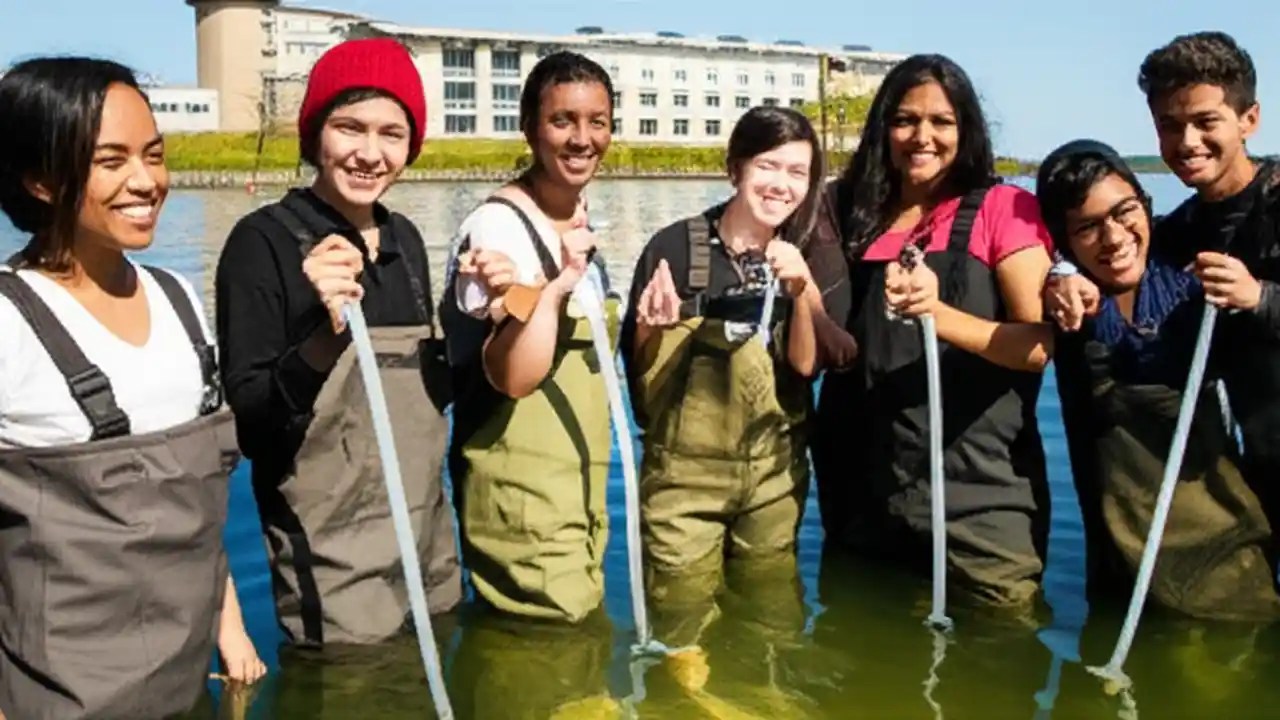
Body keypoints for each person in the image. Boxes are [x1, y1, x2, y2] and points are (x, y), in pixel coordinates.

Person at [903, 139, 1280, 619]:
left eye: (1125, 212)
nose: (1114, 237)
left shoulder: (1195, 287)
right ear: (1063, 239)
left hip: (1223, 564)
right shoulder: (1069, 308)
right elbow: (1027, 327)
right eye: (1087, 228)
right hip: (1117, 575)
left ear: (1146, 206)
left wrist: (1259, 297)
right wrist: (1057, 274)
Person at [0, 56, 264, 719]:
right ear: (38, 178)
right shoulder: (9, 321)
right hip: (54, 698)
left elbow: (200, 498)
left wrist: (229, 626)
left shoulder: (179, 300)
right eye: (110, 161)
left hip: (184, 678)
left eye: (154, 154)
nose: (146, 181)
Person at [214, 38, 462, 649]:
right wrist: (324, 337)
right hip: (331, 557)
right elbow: (252, 426)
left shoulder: (403, 239)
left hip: (428, 546)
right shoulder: (261, 243)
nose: (371, 154)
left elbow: (431, 396)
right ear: (315, 134)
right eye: (349, 127)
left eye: (392, 133)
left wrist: (484, 314)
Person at [811, 53, 1055, 610]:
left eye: (941, 121)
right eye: (905, 120)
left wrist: (939, 315)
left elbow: (1038, 346)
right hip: (861, 489)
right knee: (859, 655)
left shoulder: (1004, 207)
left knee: (997, 655)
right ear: (883, 129)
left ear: (965, 130)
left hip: (978, 493)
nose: (922, 136)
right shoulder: (850, 213)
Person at [1045, 31, 1280, 567]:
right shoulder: (1181, 231)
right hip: (1250, 473)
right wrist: (1059, 272)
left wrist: (1260, 297)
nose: (1188, 141)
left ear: (1250, 120)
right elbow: (1117, 257)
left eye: (1205, 121)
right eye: (1170, 126)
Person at [619, 106, 835, 658]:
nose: (781, 185)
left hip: (774, 478)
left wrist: (800, 292)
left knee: (772, 612)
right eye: (768, 165)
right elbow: (639, 380)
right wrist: (650, 323)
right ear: (735, 167)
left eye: (797, 173)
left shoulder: (807, 251)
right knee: (680, 621)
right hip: (682, 482)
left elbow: (806, 368)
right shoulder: (676, 248)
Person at [440, 50, 617, 624]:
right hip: (521, 499)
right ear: (529, 129)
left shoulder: (580, 218)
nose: (582, 138)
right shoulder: (498, 229)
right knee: (543, 667)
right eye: (562, 120)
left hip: (576, 494)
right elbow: (513, 375)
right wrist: (553, 286)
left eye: (598, 121)